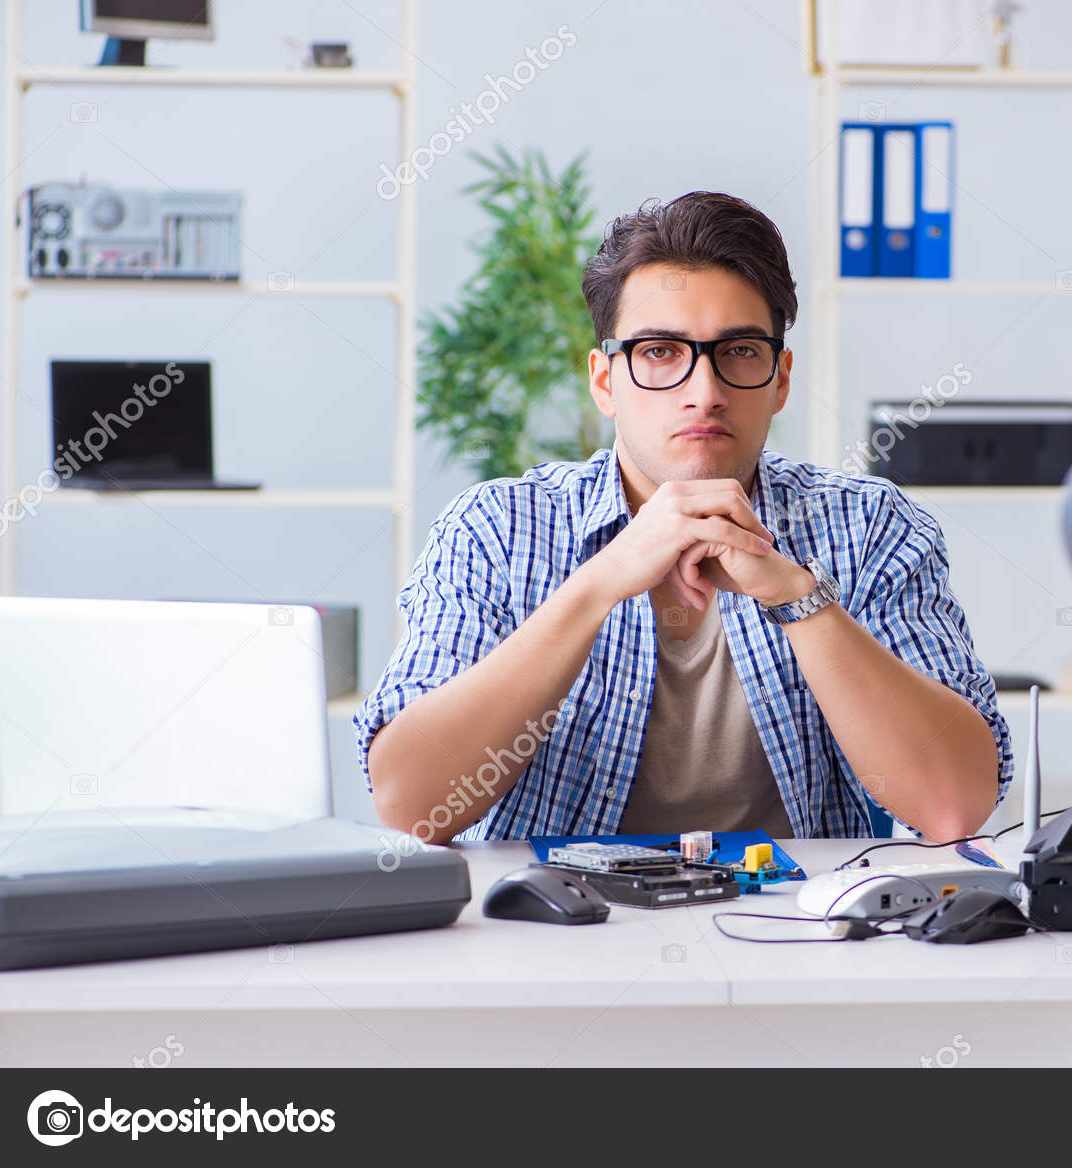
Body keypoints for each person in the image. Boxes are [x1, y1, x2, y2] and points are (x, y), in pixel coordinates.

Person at [358, 191, 1012, 844]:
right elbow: (412, 807)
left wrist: (798, 597)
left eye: (740, 352)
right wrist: (597, 585)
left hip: (802, 932)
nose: (705, 392)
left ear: (781, 378)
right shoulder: (497, 528)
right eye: (662, 352)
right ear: (605, 381)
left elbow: (952, 807)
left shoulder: (868, 527)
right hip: (551, 925)